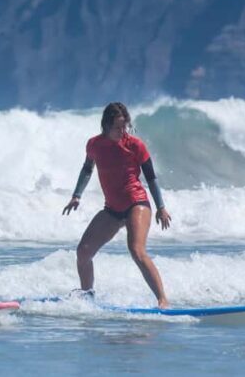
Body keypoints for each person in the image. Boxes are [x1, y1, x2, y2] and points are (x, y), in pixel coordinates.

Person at [62, 102, 172, 308]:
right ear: (106, 125)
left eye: (125, 126)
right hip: (112, 209)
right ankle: (87, 297)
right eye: (117, 127)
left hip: (136, 203)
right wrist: (76, 195)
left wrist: (161, 207)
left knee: (136, 250)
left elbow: (151, 177)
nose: (122, 131)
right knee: (83, 252)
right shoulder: (94, 145)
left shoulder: (135, 145)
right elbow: (87, 169)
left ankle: (162, 299)